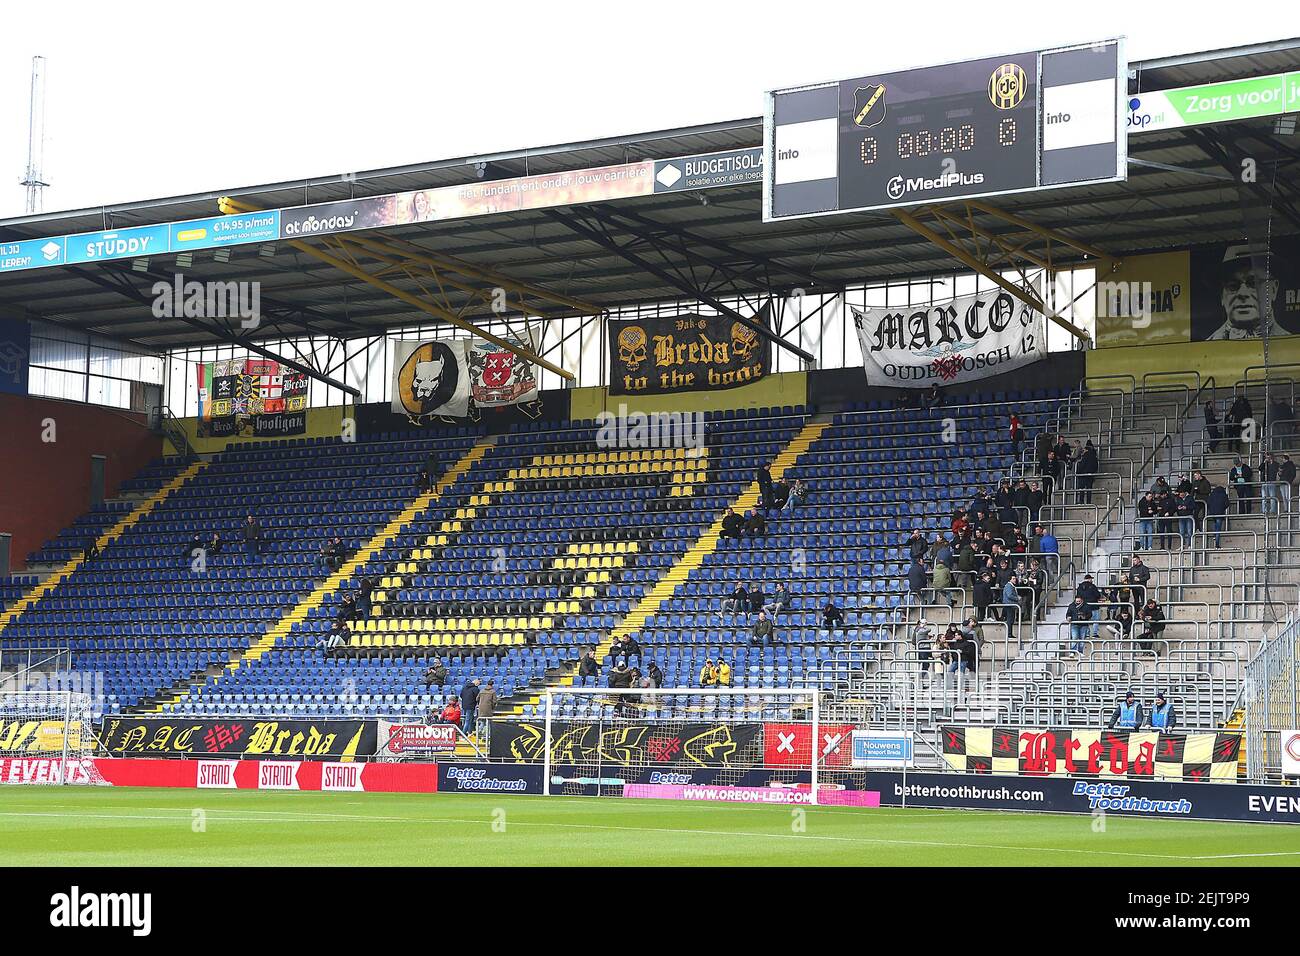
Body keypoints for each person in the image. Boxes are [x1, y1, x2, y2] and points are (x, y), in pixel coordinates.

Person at [1076, 440, 1099, 504]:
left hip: (1083, 474)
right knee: (1089, 490)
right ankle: (1088, 502)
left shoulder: (1085, 455)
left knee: (1082, 489)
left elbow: (1082, 465)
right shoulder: (1094, 456)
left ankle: (1081, 501)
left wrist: (1078, 472)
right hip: (1090, 475)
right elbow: (1096, 466)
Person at [913, 618, 935, 684]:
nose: (925, 624)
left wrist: (929, 638)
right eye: (924, 623)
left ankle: (923, 678)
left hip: (924, 648)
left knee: (926, 663)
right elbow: (928, 629)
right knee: (925, 664)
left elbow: (925, 636)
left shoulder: (919, 630)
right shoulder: (920, 630)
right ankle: (922, 678)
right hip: (923, 649)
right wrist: (924, 625)